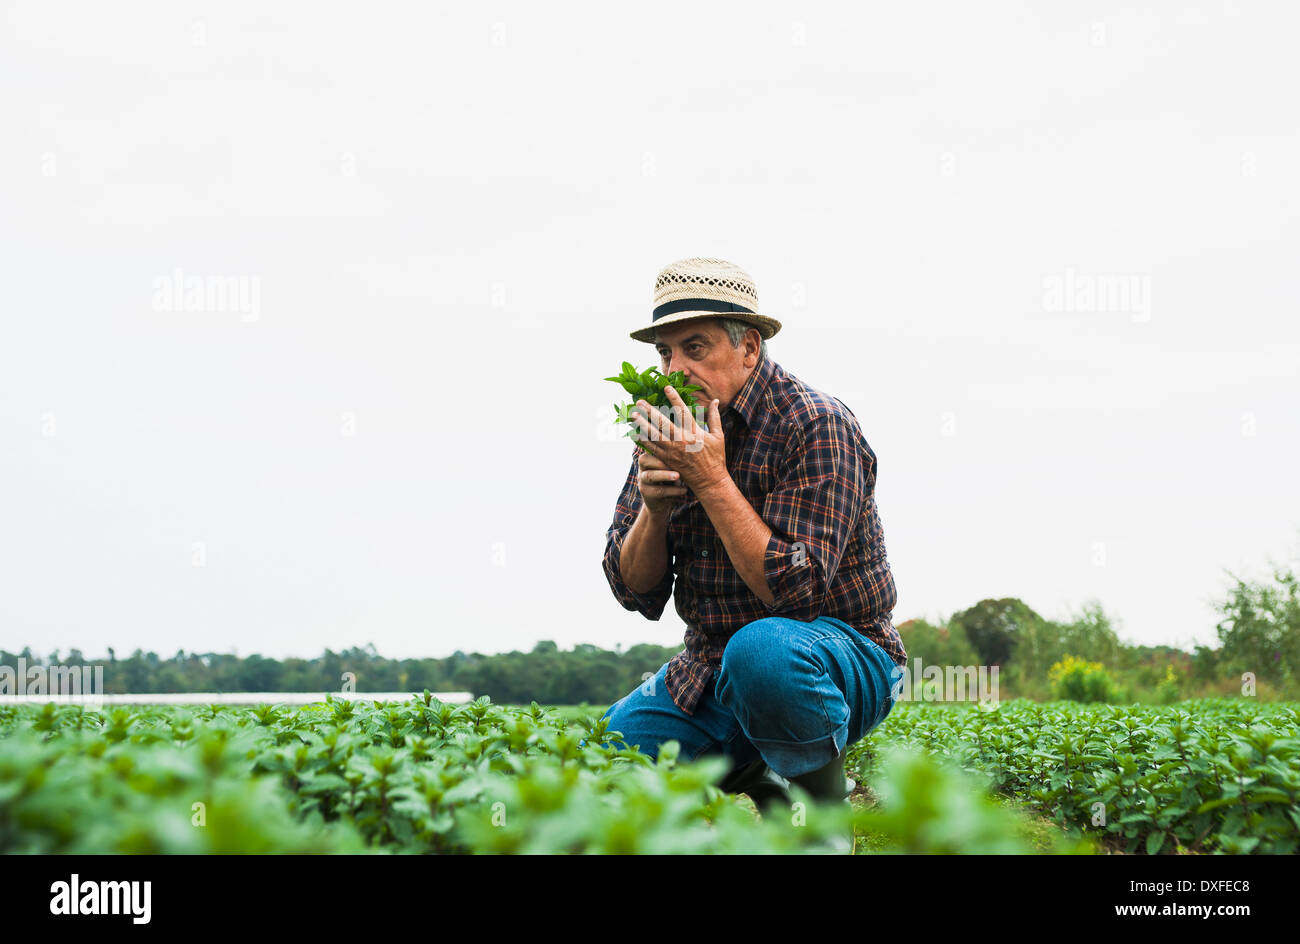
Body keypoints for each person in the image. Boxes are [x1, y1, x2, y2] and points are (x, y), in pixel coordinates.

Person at [598, 257, 907, 844]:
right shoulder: (671, 430)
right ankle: (757, 765)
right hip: (710, 668)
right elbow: (633, 590)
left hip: (840, 654)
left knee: (762, 650)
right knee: (603, 758)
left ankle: (824, 824)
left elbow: (798, 593)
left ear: (750, 348)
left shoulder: (814, 424)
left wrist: (712, 481)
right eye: (665, 353)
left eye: (695, 347)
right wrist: (654, 512)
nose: (676, 369)